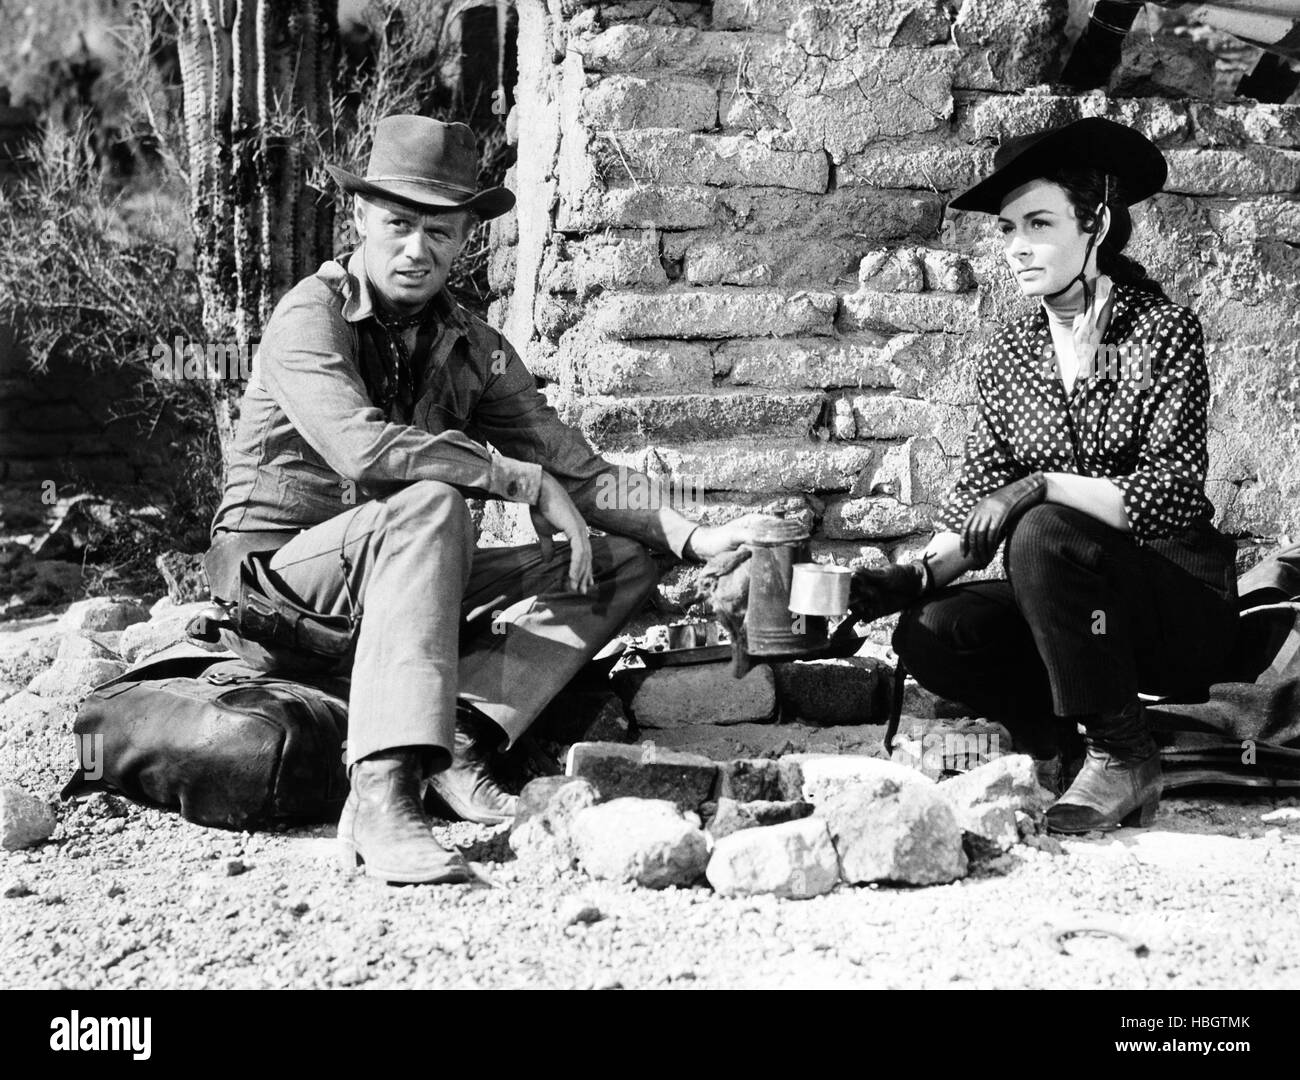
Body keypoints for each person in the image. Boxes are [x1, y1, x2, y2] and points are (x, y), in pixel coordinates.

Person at [203, 115, 766, 884]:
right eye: (399, 224)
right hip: (283, 593)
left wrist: (697, 536)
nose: (417, 249)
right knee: (434, 503)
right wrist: (512, 478)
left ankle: (463, 733)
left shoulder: (474, 346)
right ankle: (383, 793)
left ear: (466, 237)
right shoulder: (311, 315)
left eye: (440, 231)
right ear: (361, 217)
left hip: (402, 580)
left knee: (622, 557)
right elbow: (361, 449)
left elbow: (578, 470)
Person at [847, 118, 1240, 834]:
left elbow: (1175, 491)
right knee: (933, 629)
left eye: (1040, 223)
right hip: (1069, 610)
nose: (1017, 247)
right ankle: (1061, 746)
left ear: (1097, 226)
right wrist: (915, 576)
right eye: (1008, 229)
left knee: (1042, 527)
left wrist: (1044, 484)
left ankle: (1124, 754)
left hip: (1172, 603)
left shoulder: (1160, 333)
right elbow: (981, 496)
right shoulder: (1008, 355)